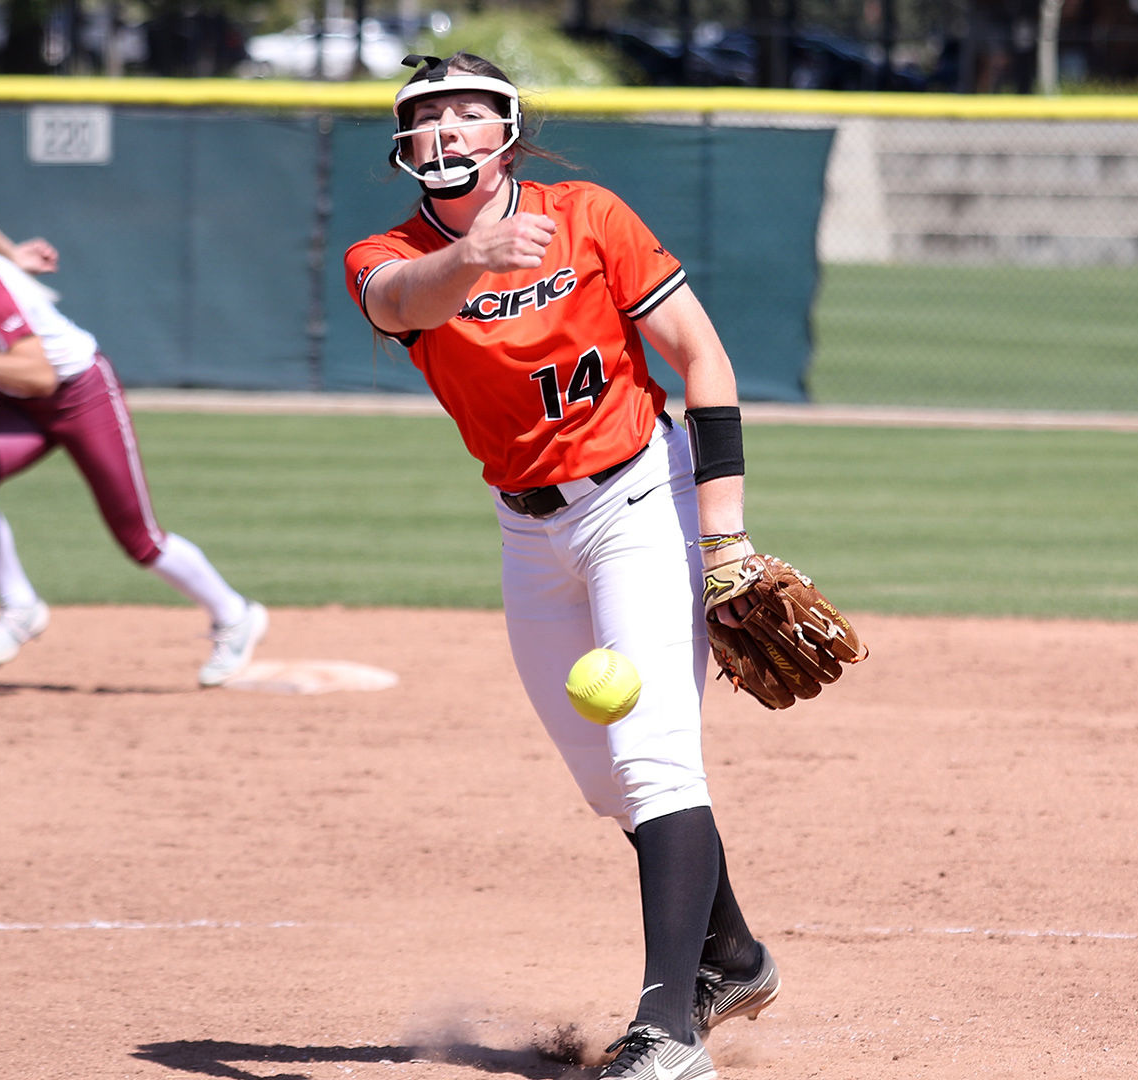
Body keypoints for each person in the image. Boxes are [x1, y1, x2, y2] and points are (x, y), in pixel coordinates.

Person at [344, 54, 781, 1080]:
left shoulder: (587, 215)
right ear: (406, 146)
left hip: (641, 499)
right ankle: (734, 956)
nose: (447, 130)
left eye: (467, 111)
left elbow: (702, 359)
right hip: (527, 532)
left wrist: (725, 540)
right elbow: (402, 302)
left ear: (506, 128)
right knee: (607, 786)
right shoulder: (388, 252)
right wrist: (478, 258)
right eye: (426, 118)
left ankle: (668, 1035)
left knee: (657, 759)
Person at [0, 186, 267, 684]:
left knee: (138, 538)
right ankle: (20, 607)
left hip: (79, 394)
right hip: (20, 403)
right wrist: (16, 250)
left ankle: (236, 616)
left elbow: (43, 376)